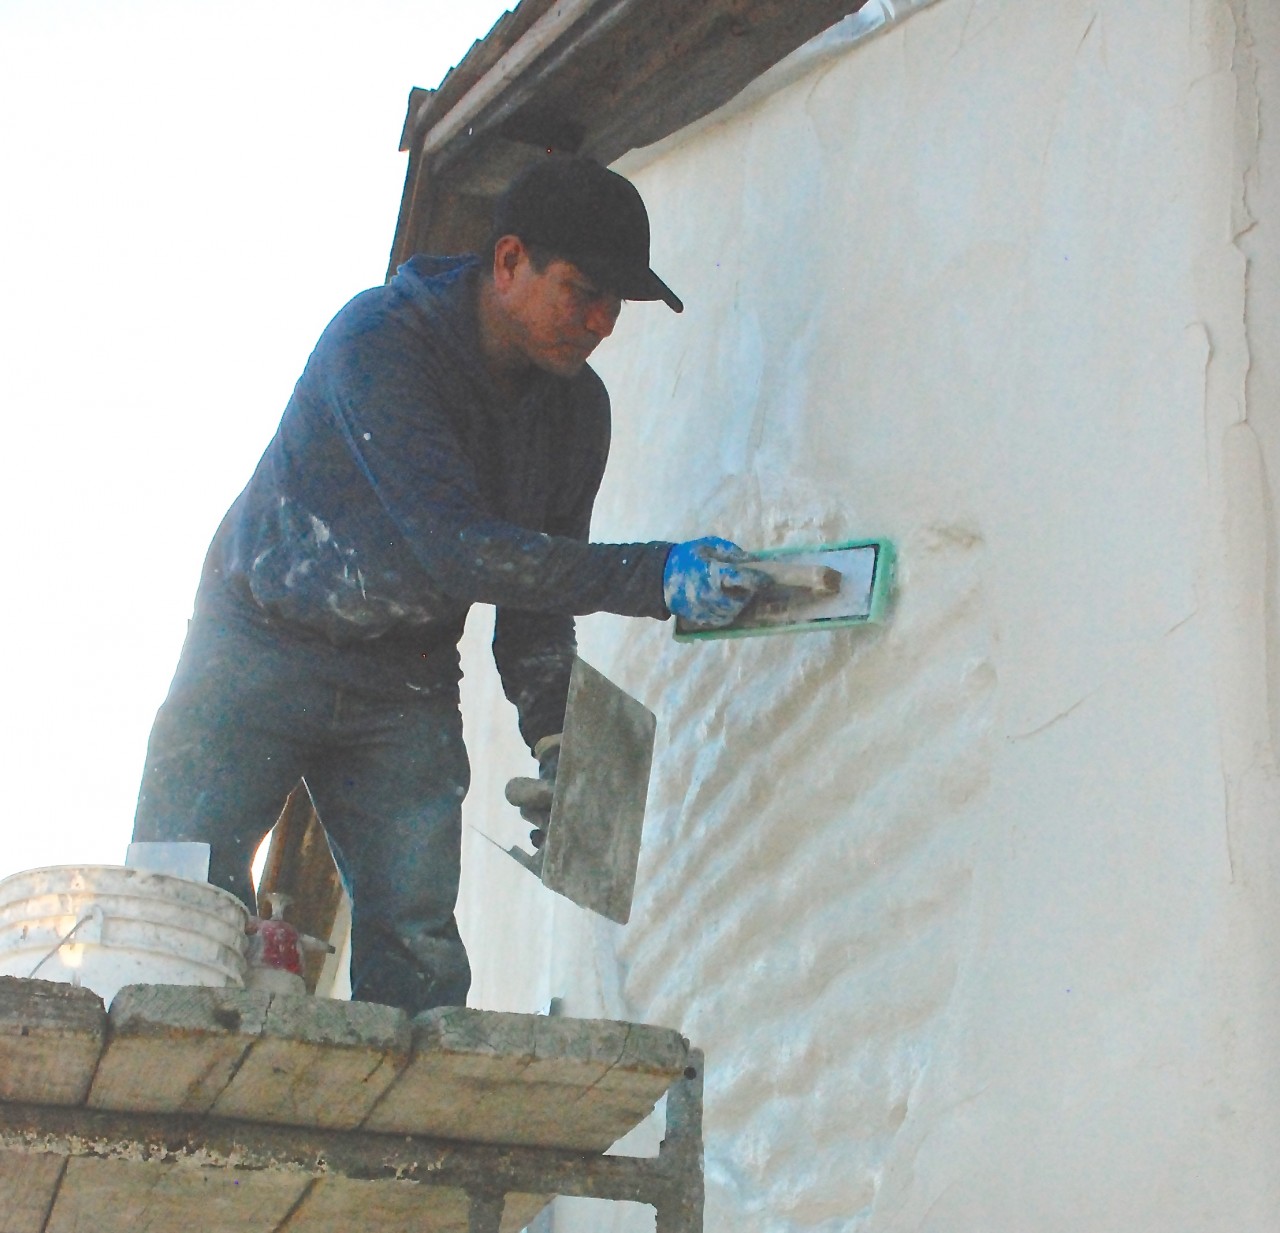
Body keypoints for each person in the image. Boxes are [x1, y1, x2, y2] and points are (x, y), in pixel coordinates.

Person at [132, 156, 760, 1015]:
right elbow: (457, 549)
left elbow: (533, 606)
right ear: (509, 262)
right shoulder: (380, 343)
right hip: (257, 635)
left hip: (404, 677)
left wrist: (558, 739)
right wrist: (656, 573)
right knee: (174, 904)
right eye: (583, 290)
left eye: (619, 305)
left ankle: (405, 1145)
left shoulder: (578, 413)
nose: (602, 322)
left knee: (420, 952)